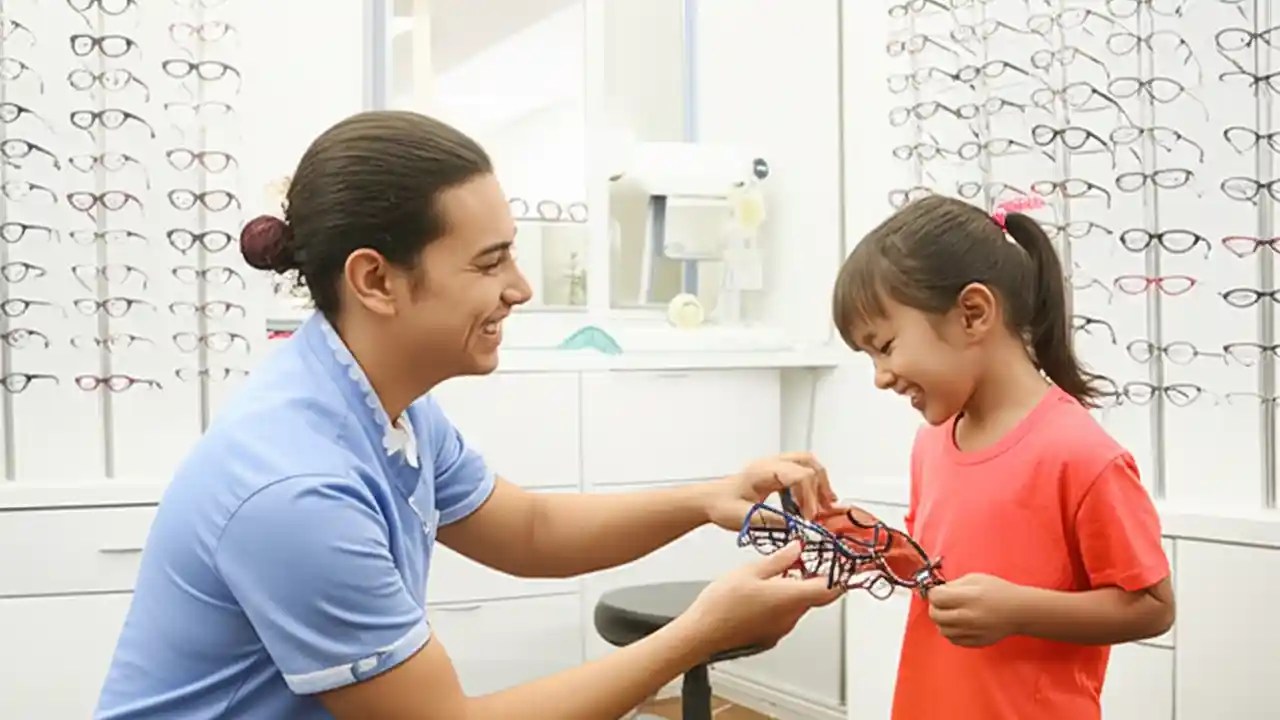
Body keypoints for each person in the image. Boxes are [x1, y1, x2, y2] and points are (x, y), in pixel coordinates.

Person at [93, 110, 844, 720]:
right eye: (490, 263)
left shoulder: (388, 409)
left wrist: (705, 499)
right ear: (375, 280)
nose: (520, 288)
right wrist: (700, 634)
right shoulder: (293, 488)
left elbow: (528, 531)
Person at [830, 194, 1175, 720]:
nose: (880, 376)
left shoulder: (1080, 455)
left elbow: (1152, 607)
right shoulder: (932, 443)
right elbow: (936, 570)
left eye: (886, 346)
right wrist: (841, 529)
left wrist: (1016, 611)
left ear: (973, 313)